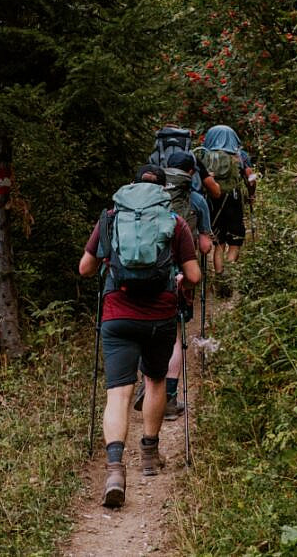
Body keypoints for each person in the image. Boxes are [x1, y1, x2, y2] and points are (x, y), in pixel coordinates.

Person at [79, 164, 201, 508]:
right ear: (162, 192)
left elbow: (84, 268)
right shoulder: (174, 222)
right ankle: (149, 455)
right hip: (160, 316)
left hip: (117, 314)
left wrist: (110, 264)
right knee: (156, 380)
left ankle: (115, 469)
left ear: (131, 188)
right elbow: (194, 274)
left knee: (117, 394)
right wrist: (180, 282)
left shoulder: (110, 218)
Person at [132, 150, 214, 417]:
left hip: (135, 278)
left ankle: (146, 384)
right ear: (191, 173)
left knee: (142, 332)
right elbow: (204, 246)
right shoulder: (196, 200)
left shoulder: (136, 204)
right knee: (174, 338)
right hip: (176, 280)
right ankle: (167, 398)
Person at [196, 125, 256, 296]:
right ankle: (228, 278)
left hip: (212, 202)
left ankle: (220, 278)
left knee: (219, 243)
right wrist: (252, 194)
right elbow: (251, 178)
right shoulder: (240, 156)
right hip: (234, 200)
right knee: (235, 242)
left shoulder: (204, 157)